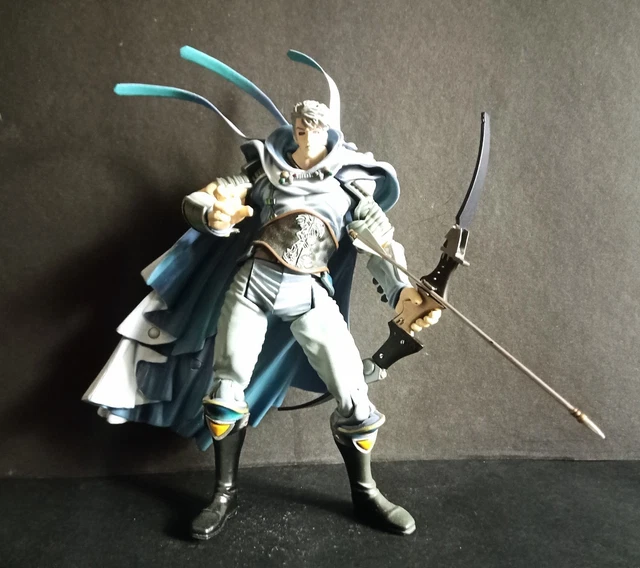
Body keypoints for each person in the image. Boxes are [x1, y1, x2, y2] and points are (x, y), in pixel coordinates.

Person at [83, 47, 440, 540]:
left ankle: (366, 492)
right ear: (295, 129)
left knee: (355, 397)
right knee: (226, 392)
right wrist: (211, 212)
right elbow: (208, 196)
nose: (308, 137)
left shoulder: (352, 184)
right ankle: (223, 493)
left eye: (316, 130)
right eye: (302, 129)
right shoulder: (265, 170)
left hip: (310, 293)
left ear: (329, 133)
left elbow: (380, 244)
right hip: (253, 285)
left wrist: (402, 292)